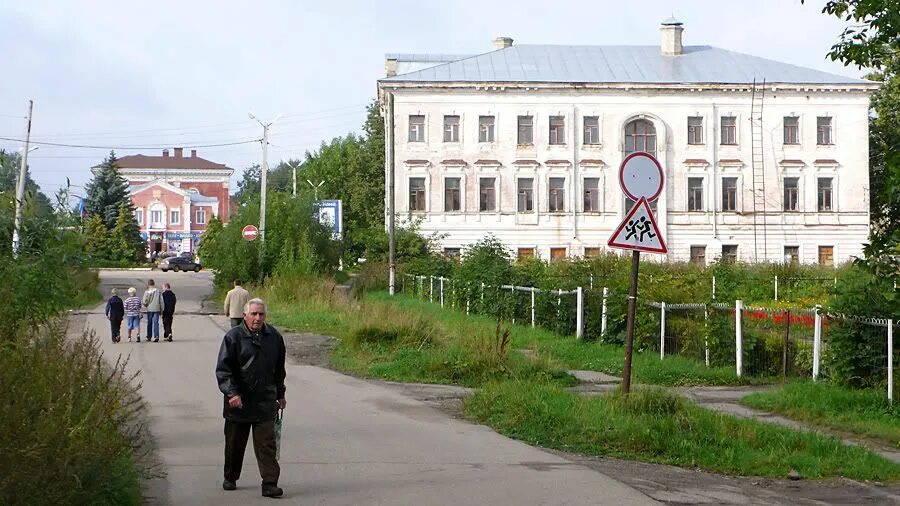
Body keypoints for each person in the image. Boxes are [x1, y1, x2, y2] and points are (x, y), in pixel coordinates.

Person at [215, 298, 286, 498]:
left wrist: (281, 394)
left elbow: (279, 370)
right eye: (253, 314)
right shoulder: (233, 337)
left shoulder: (274, 337)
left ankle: (270, 483)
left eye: (261, 314)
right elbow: (223, 370)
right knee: (234, 445)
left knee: (267, 445)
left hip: (265, 401)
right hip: (239, 402)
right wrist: (232, 393)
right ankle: (230, 477)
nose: (257, 318)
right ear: (245, 315)